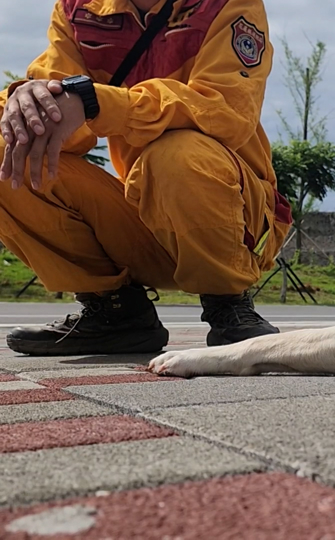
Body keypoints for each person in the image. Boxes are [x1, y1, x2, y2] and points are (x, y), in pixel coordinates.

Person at [0, 0, 292, 356]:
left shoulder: (228, 4)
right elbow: (68, 132)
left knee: (175, 153)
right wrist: (24, 103)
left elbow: (227, 111)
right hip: (145, 218)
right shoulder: (77, 10)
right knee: (9, 146)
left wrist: (95, 102)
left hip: (238, 224)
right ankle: (115, 311)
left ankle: (229, 303)